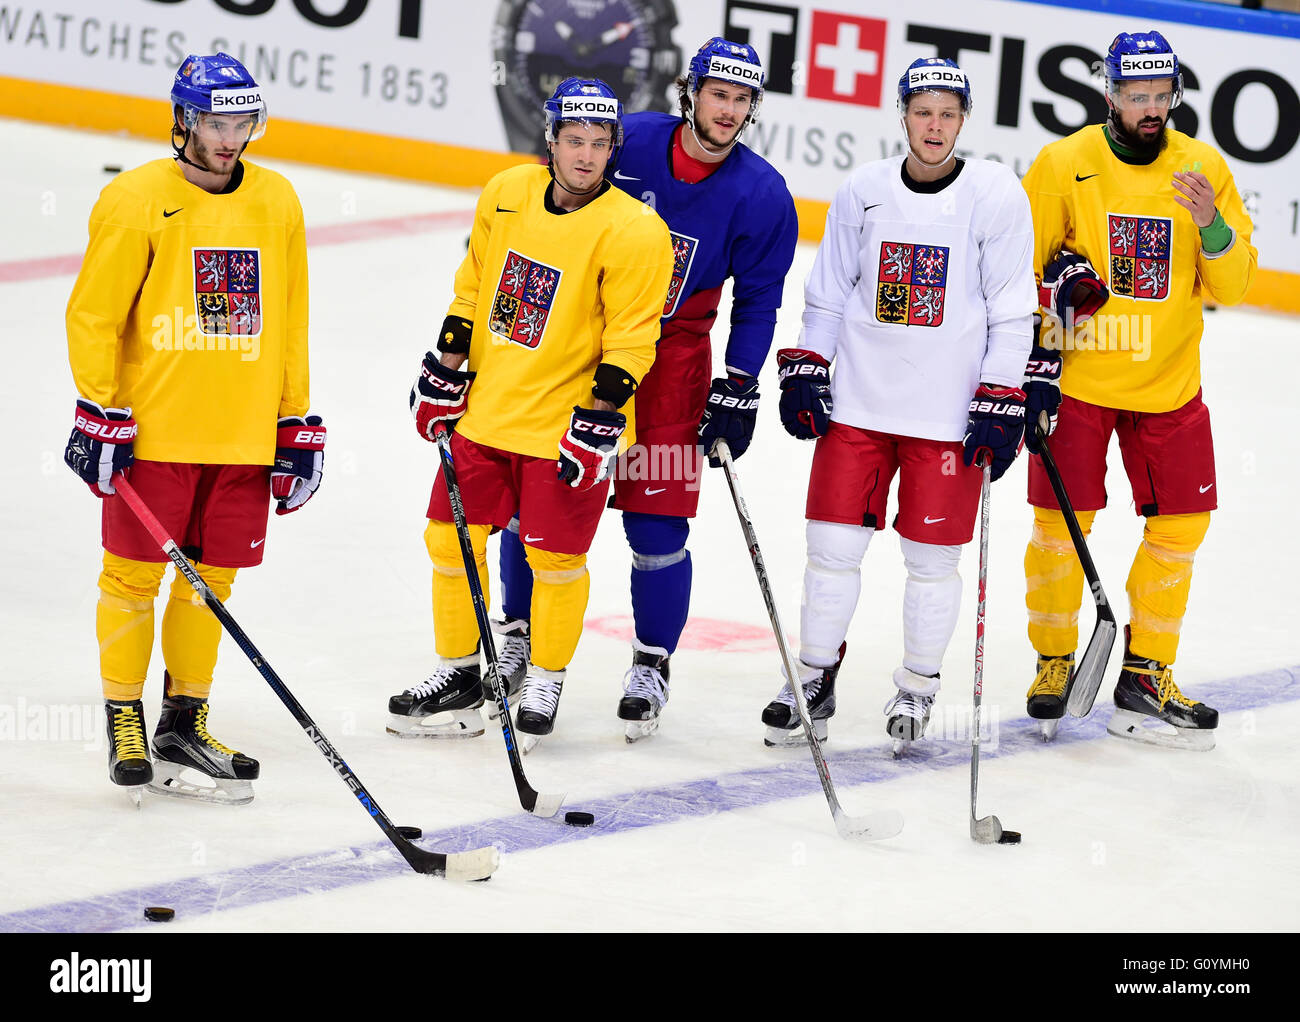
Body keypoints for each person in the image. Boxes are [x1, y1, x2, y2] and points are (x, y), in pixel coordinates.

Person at [494, 37, 799, 742]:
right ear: (690, 92)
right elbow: (550, 211)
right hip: (578, 353)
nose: (728, 110)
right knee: (534, 507)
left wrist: (740, 384)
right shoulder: (626, 143)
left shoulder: (762, 195)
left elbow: (758, 300)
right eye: (718, 93)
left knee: (658, 526)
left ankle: (652, 661)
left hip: (672, 372)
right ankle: (518, 636)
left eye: (742, 99)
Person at [386, 78, 674, 750]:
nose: (585, 155)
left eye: (600, 144)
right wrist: (445, 369)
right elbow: (474, 288)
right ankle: (458, 673)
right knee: (447, 540)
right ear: (551, 139)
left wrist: (602, 417)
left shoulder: (634, 230)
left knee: (555, 560)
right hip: (486, 413)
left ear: (613, 150)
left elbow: (633, 340)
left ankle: (545, 677)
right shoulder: (507, 192)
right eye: (574, 140)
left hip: (563, 426)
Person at [64, 53, 321, 805]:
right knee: (131, 579)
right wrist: (99, 406)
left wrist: (295, 418)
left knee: (211, 585)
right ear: (182, 120)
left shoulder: (278, 200)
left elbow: (290, 321)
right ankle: (125, 718)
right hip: (156, 434)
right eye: (216, 122)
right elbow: (94, 315)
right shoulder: (136, 199)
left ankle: (185, 718)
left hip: (242, 435)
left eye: (242, 122)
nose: (230, 137)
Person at [767, 58, 1036, 753]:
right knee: (830, 551)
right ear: (903, 115)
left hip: (946, 419)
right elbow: (828, 290)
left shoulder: (995, 193)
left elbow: (1012, 308)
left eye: (949, 113)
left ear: (964, 120)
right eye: (924, 112)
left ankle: (916, 686)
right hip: (857, 405)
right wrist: (809, 365)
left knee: (932, 563)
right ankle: (813, 679)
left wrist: (1001, 394)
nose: (935, 126)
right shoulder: (864, 188)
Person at [1020, 30, 1256, 750]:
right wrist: (1051, 299)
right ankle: (1056, 661)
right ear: (1110, 94)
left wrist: (1211, 223)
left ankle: (1146, 674)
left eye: (1161, 97)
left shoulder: (1202, 166)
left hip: (1169, 384)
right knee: (1061, 528)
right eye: (1136, 96)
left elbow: (1237, 285)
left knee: (1182, 530)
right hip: (1082, 380)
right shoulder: (1063, 165)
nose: (1150, 109)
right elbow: (1016, 276)